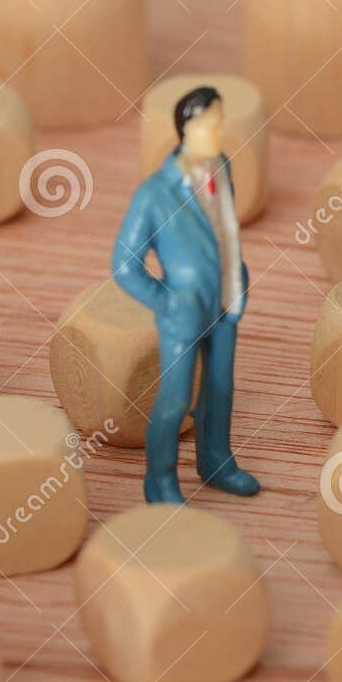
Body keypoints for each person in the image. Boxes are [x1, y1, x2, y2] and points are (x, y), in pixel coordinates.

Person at [112, 85, 260, 502]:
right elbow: (124, 265)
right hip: (182, 311)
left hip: (226, 302)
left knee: (220, 388)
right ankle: (160, 481)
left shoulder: (223, 167)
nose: (219, 129)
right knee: (175, 399)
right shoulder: (154, 194)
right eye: (212, 121)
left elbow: (226, 233)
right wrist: (167, 301)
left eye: (220, 119)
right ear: (188, 126)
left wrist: (236, 281)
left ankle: (216, 461)